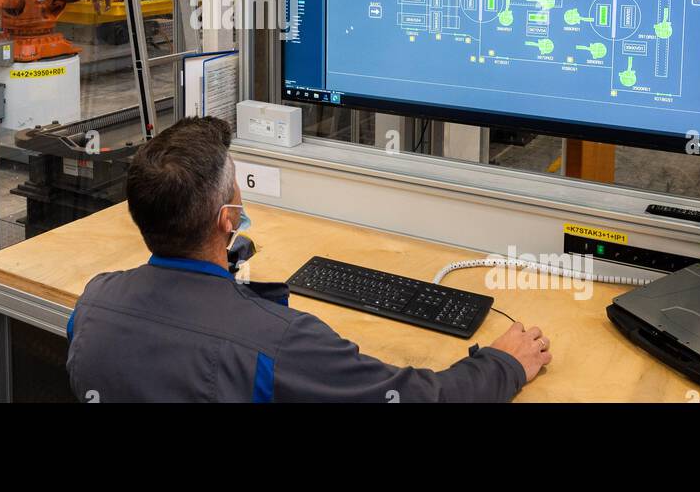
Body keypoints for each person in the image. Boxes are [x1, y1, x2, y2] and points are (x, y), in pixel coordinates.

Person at [66, 116, 552, 402]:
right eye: (236, 184)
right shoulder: (283, 344)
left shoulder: (92, 303)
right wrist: (504, 364)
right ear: (226, 220)